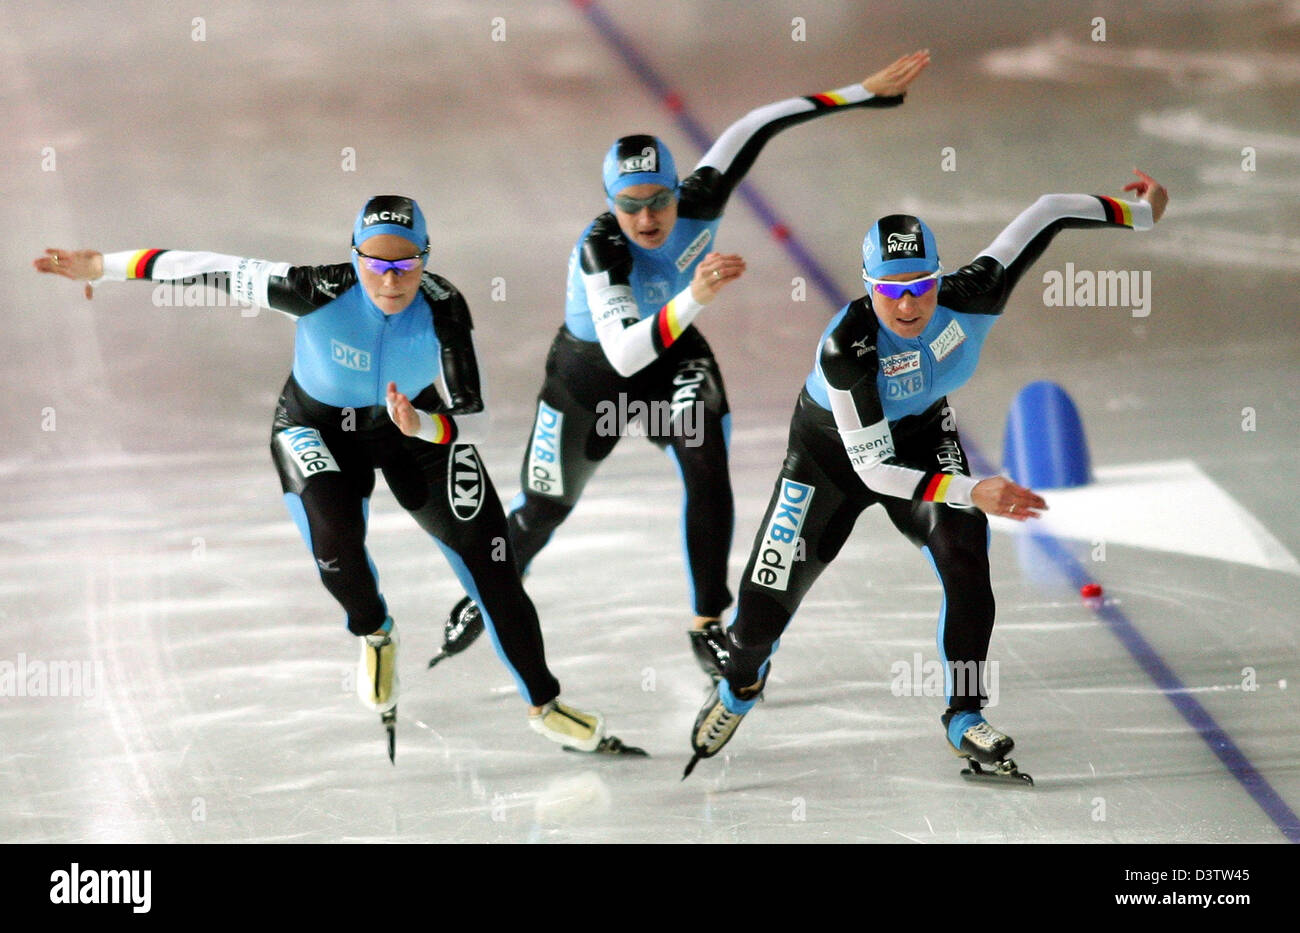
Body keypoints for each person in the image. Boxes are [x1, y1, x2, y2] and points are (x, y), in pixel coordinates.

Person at [32, 195, 633, 761]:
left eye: (406, 265)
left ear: (426, 259)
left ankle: (543, 702)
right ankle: (376, 633)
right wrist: (102, 267)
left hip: (412, 431)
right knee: (335, 544)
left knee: (494, 567)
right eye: (377, 265)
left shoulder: (446, 308)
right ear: (355, 258)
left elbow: (461, 415)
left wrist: (420, 423)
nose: (392, 279)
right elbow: (207, 268)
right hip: (316, 430)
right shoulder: (312, 289)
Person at [442, 51, 933, 679]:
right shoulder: (602, 250)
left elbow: (756, 124)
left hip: (673, 359)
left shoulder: (704, 197)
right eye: (630, 206)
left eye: (659, 202)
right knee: (541, 513)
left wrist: (860, 91)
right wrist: (696, 293)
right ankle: (488, 591)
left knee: (706, 465)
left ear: (681, 190)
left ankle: (708, 620)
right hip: (591, 375)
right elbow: (623, 353)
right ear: (610, 205)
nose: (647, 219)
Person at [684, 170, 1170, 779]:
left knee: (965, 551)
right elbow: (873, 469)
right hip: (831, 459)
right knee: (753, 629)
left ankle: (965, 714)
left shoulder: (974, 293)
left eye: (921, 286)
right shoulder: (847, 348)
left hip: (920, 440)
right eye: (891, 291)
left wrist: (1141, 215)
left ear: (940, 277)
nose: (909, 305)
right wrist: (974, 489)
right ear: (868, 288)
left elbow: (1047, 211)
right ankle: (738, 688)